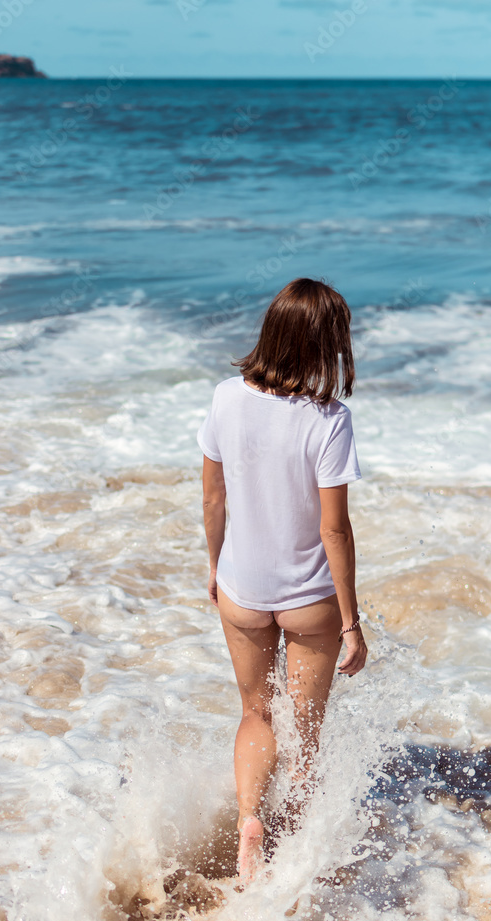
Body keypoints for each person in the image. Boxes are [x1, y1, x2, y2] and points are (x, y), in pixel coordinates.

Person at [197, 277, 367, 882]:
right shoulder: (330, 420)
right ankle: (298, 846)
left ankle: (250, 823)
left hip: (242, 590)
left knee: (255, 713)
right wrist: (351, 622)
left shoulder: (225, 397)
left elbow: (213, 497)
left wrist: (217, 569)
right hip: (308, 600)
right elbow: (335, 530)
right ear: (328, 345)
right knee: (307, 731)